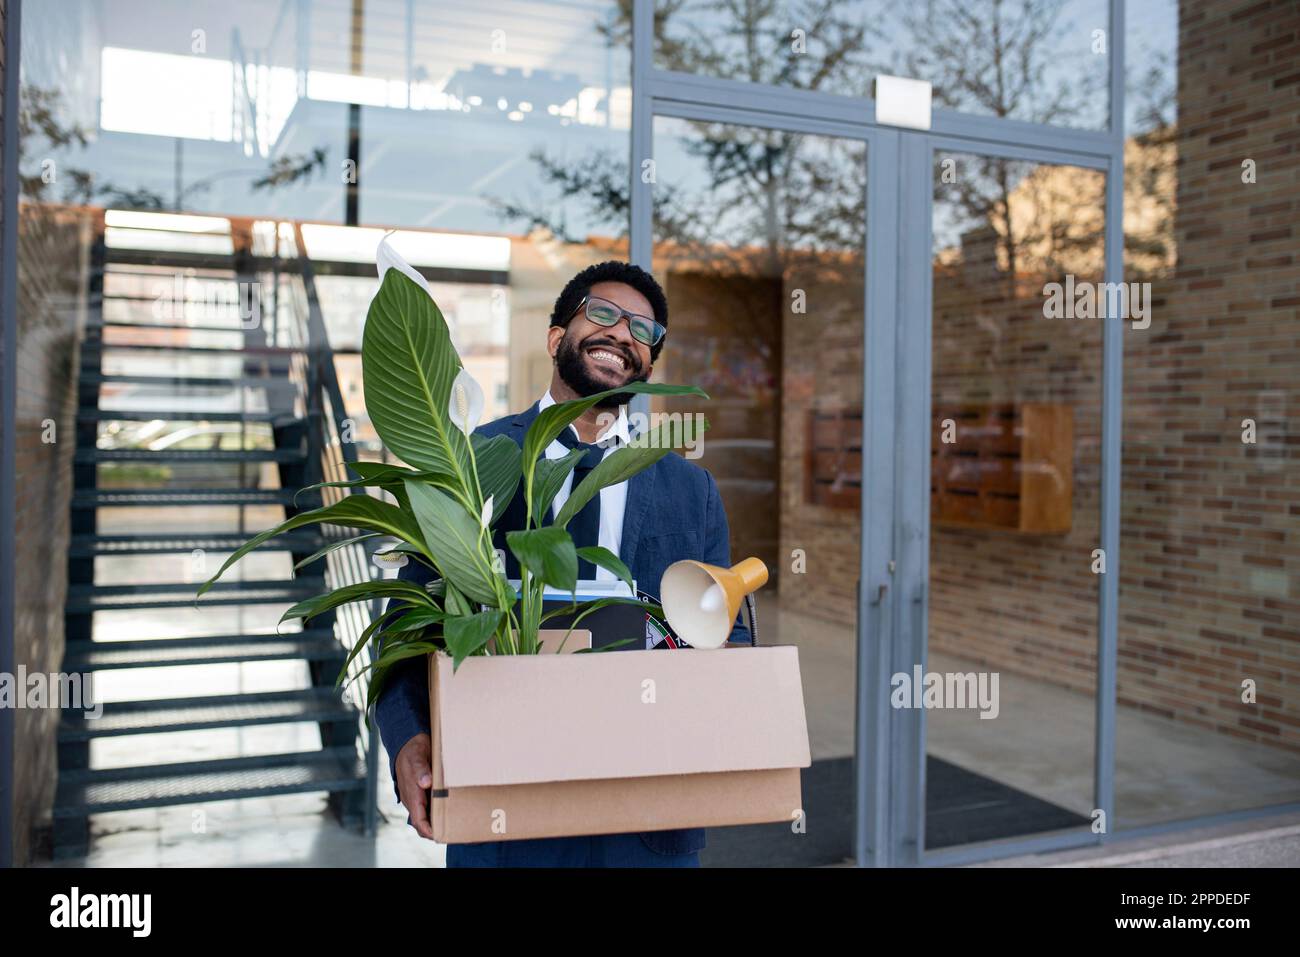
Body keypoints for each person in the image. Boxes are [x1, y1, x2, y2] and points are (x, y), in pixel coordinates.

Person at [373, 261, 749, 867]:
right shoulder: (471, 460)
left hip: (648, 820)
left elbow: (730, 634)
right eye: (602, 314)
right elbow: (406, 624)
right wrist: (408, 738)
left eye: (644, 332)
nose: (624, 335)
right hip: (502, 810)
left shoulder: (691, 490)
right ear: (556, 337)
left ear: (650, 365)